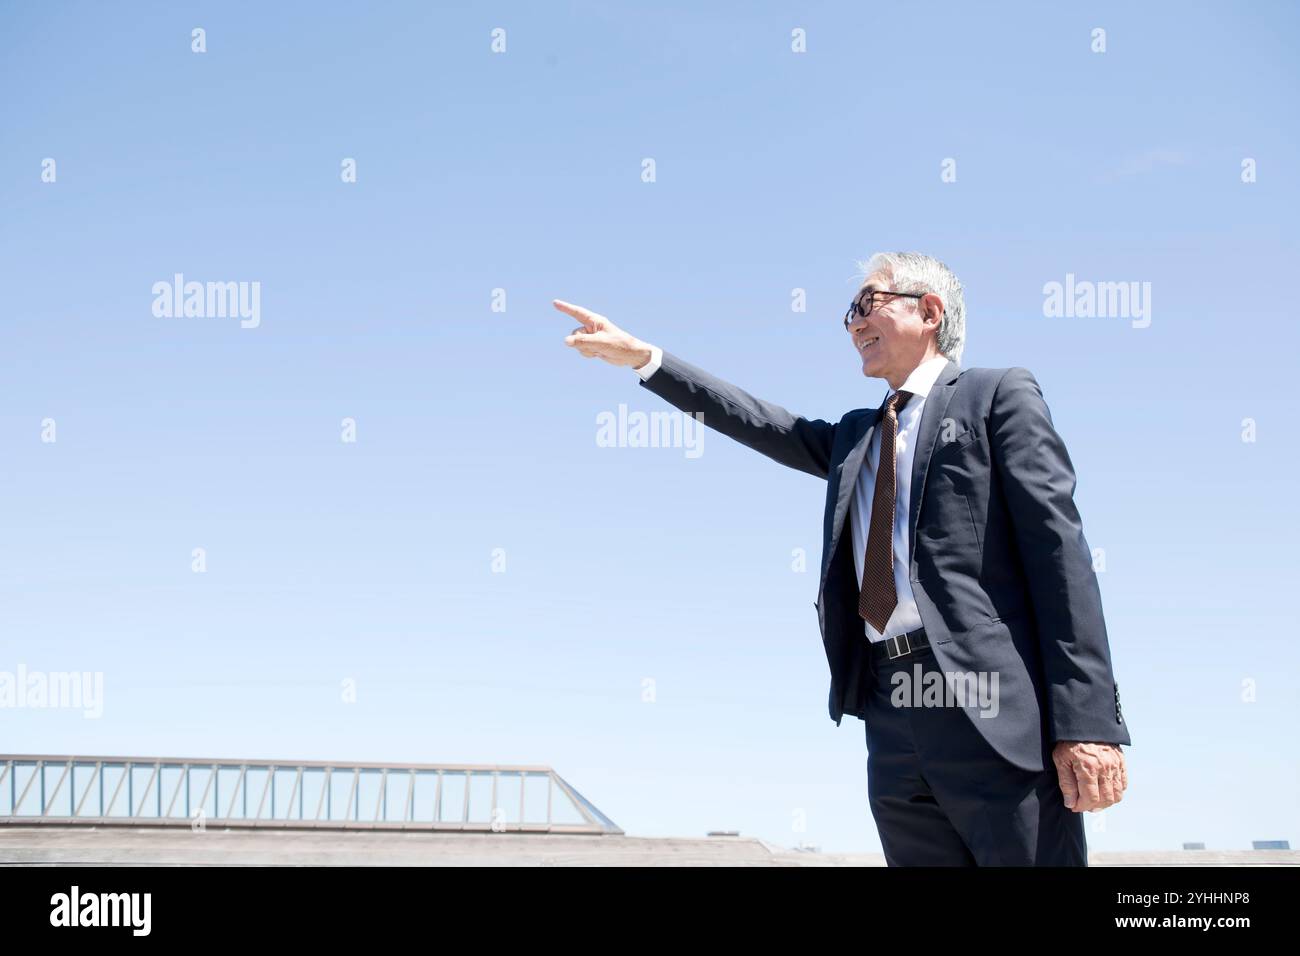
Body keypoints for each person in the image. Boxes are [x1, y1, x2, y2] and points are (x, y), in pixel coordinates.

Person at [553, 251, 1129, 866]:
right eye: (848, 313)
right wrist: (647, 359)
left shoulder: (995, 396)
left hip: (989, 702)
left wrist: (1089, 723)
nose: (853, 324)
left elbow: (1059, 554)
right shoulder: (858, 434)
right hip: (891, 703)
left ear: (929, 311)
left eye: (866, 304)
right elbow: (758, 422)